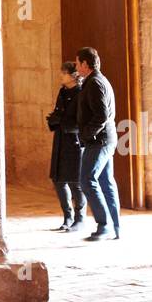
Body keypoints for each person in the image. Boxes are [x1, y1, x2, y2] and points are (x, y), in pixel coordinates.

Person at [75, 46, 121, 241]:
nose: (76, 67)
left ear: (85, 64)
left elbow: (101, 115)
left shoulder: (94, 83)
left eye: (78, 63)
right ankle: (115, 227)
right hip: (105, 138)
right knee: (105, 182)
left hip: (99, 141)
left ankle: (104, 225)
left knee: (87, 180)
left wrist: (86, 134)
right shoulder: (98, 80)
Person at [46, 63, 87, 231]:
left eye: (64, 73)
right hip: (61, 138)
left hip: (75, 140)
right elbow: (58, 113)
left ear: (73, 75)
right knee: (58, 179)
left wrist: (61, 120)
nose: (61, 76)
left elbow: (79, 119)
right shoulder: (63, 92)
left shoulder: (81, 93)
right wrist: (55, 120)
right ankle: (67, 217)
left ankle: (79, 218)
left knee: (75, 181)